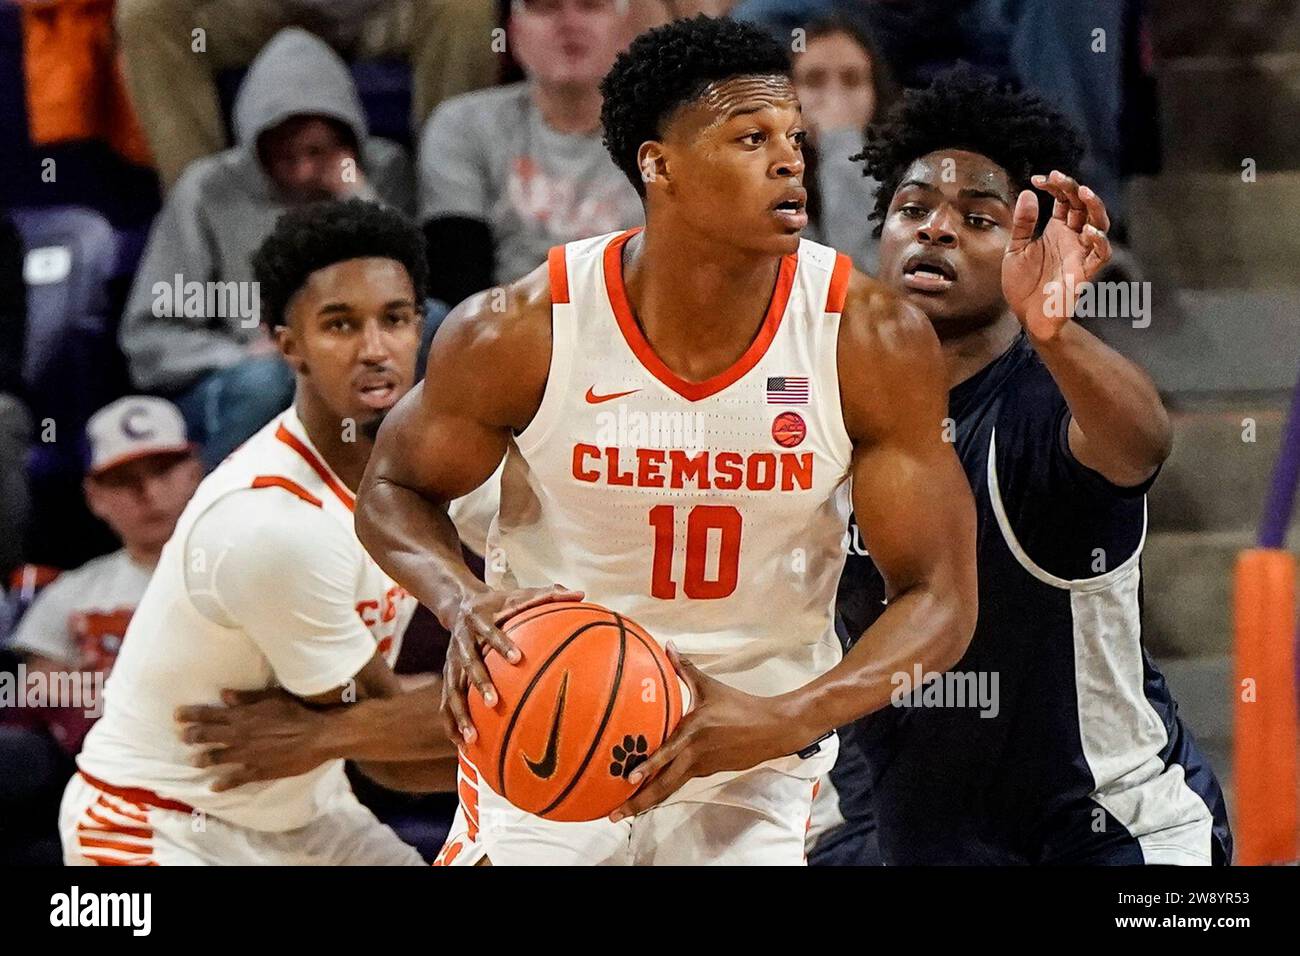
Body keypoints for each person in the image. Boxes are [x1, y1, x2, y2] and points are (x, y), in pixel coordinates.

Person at [355, 15, 978, 866]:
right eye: (750, 137)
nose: (790, 158)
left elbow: (940, 596)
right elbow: (392, 488)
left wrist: (792, 715)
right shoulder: (523, 330)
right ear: (659, 165)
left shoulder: (867, 337)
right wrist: (459, 599)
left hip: (750, 743)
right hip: (553, 712)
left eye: (793, 135)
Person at [826, 68, 1230, 865]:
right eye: (913, 210)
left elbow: (1139, 444)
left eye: (976, 218)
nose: (934, 230)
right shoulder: (829, 417)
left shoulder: (1043, 402)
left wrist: (1055, 333)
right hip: (919, 840)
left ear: (1022, 247)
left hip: (1110, 837)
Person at [61, 200, 453, 866]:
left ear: (420, 328)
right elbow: (393, 754)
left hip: (310, 812)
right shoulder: (272, 525)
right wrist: (560, 725)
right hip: (156, 825)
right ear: (287, 343)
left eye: (393, 319)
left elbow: (377, 738)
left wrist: (330, 736)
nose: (373, 348)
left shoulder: (439, 467)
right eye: (339, 324)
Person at [118, 28, 416, 471]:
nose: (301, 170)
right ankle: (224, 522)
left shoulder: (382, 168)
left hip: (358, 355)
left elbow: (414, 294)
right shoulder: (208, 188)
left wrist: (359, 196)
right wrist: (239, 355)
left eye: (317, 152)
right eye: (283, 155)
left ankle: (427, 501)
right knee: (270, 379)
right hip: (245, 372)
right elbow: (148, 336)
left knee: (435, 331)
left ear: (348, 141)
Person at [0, 397, 201, 865]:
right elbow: (39, 690)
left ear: (195, 471)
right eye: (124, 481)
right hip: (102, 766)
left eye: (163, 470)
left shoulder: (244, 568)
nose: (148, 493)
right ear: (95, 497)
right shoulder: (72, 592)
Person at [115, 0, 500, 192]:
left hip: (381, 11)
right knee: (147, 13)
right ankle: (204, 218)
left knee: (465, 7)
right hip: (257, 11)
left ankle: (451, 209)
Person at [417, 0, 644, 307]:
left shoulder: (665, 130)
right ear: (513, 31)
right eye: (546, 7)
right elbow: (457, 284)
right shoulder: (462, 124)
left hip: (635, 328)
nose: (570, 24)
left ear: (626, 29)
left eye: (591, 6)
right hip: (500, 329)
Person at [791, 15, 895, 274]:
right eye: (814, 81)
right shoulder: (767, 176)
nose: (834, 99)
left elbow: (864, 271)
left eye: (852, 80)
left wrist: (840, 142)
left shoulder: (907, 174)